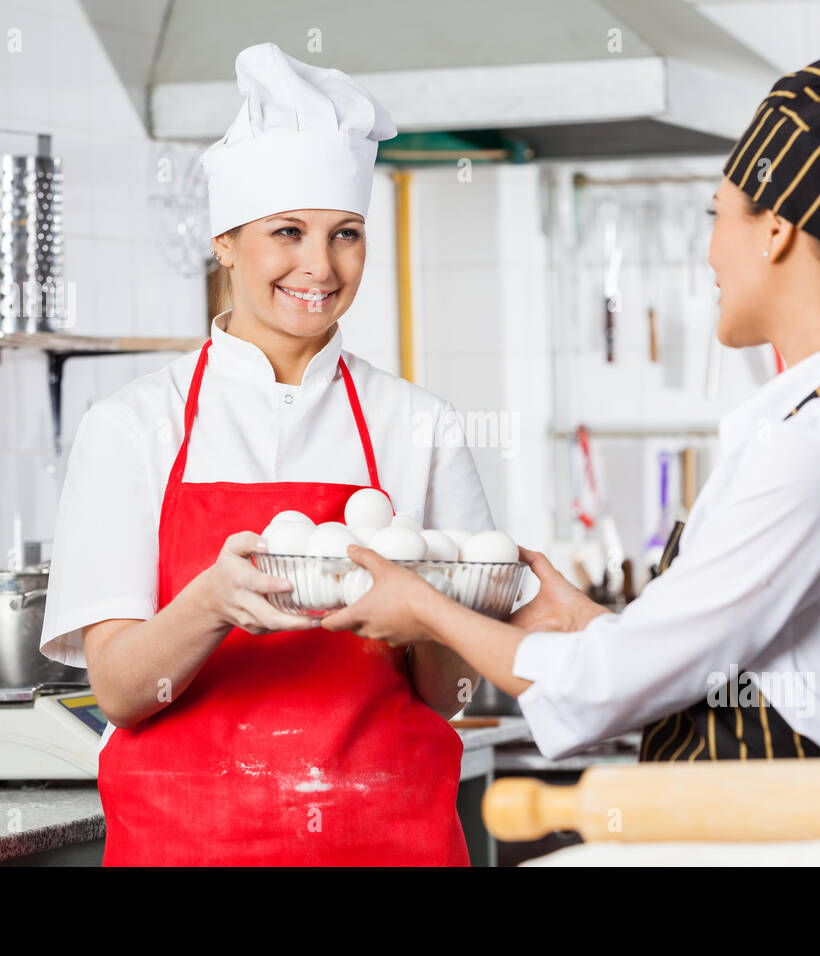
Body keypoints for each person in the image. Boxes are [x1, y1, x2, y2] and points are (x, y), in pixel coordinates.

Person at [323, 57, 820, 764]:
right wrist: (584, 619)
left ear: (777, 230)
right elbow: (735, 665)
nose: (710, 253)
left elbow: (613, 685)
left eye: (717, 215)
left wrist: (424, 608)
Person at [39, 42, 493, 865]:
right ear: (224, 241)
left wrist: (429, 611)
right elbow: (119, 692)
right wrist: (210, 603)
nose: (319, 266)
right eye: (288, 231)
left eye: (345, 235)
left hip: (387, 843)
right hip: (189, 849)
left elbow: (450, 696)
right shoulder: (134, 427)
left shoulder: (417, 424)